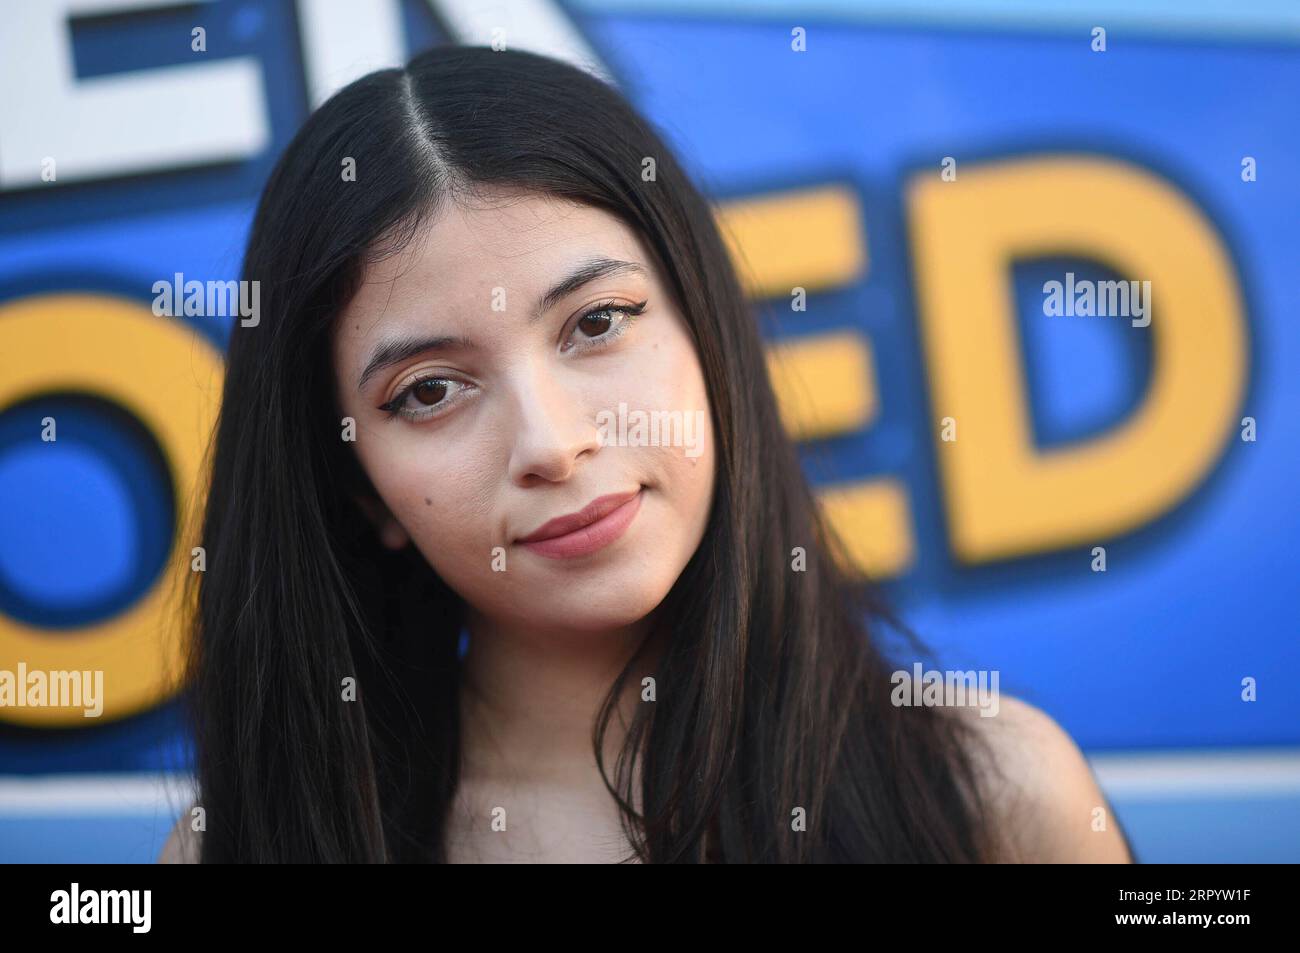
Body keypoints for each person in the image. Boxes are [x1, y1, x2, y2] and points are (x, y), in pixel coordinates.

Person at [160, 45, 1132, 863]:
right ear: (356, 483)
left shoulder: (999, 798)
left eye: (596, 323)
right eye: (428, 391)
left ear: (706, 329)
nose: (552, 442)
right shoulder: (244, 846)